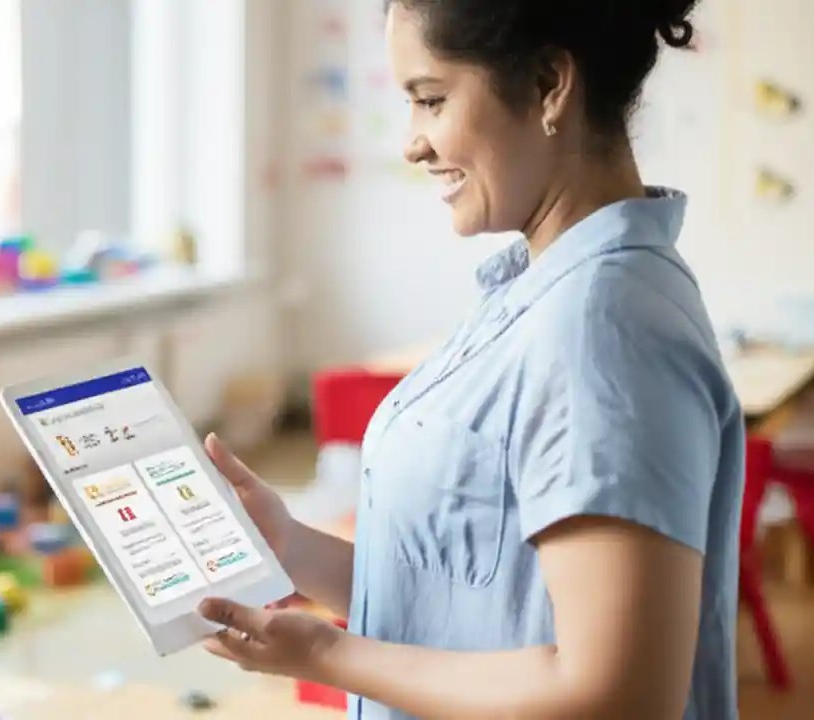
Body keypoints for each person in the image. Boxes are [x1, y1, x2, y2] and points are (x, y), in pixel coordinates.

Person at [197, 1, 743, 719]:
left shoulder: (598, 327)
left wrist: (327, 654)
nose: (413, 144)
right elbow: (473, 608)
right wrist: (291, 546)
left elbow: (618, 693)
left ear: (550, 84)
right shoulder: (547, 291)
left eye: (431, 100)